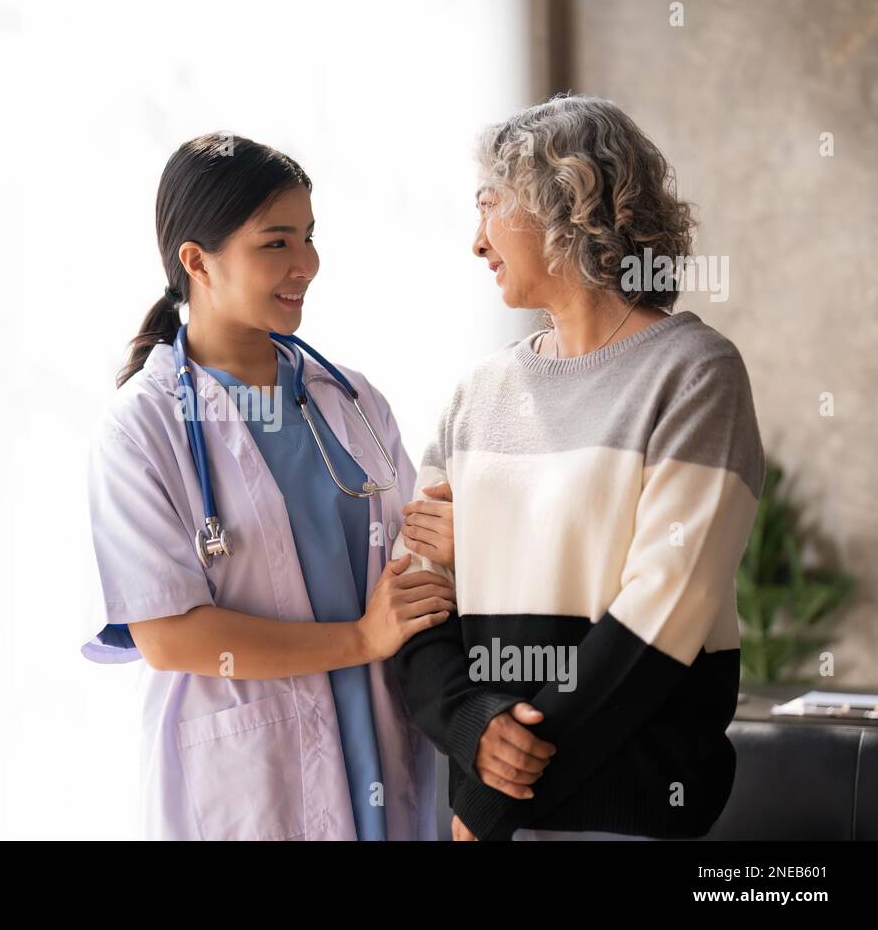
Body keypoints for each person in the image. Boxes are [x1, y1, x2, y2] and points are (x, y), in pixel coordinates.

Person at [394, 94, 765, 842]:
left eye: (489, 206)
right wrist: (472, 727)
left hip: (628, 820)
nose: (476, 242)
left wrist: (494, 800)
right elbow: (414, 598)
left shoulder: (694, 375)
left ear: (563, 201)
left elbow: (663, 611)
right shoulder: (477, 394)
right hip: (485, 816)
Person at [82, 132, 454, 840]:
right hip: (251, 775)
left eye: (309, 237)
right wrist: (361, 638)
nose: (307, 264)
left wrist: (452, 543)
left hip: (374, 737)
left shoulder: (350, 399)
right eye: (276, 243)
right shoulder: (143, 428)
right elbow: (169, 636)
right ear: (197, 260)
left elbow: (414, 556)